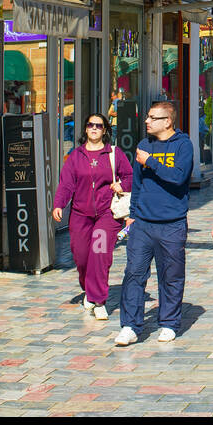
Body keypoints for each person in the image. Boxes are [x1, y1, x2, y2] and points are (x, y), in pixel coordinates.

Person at [115, 102, 193, 346]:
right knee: (133, 274)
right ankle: (130, 325)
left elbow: (179, 177)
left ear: (167, 121)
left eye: (152, 117)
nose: (146, 121)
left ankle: (169, 323)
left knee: (171, 275)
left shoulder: (183, 145)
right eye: (147, 117)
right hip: (143, 224)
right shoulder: (143, 145)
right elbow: (137, 184)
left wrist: (152, 162)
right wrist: (132, 214)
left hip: (172, 223)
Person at [53, 113, 134, 321]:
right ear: (86, 129)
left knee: (99, 254)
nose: (95, 128)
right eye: (91, 125)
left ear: (105, 130)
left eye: (99, 125)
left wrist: (122, 185)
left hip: (107, 214)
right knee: (80, 256)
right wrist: (59, 204)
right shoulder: (76, 156)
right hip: (80, 214)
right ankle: (89, 289)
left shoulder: (114, 154)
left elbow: (130, 176)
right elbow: (66, 184)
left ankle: (98, 300)